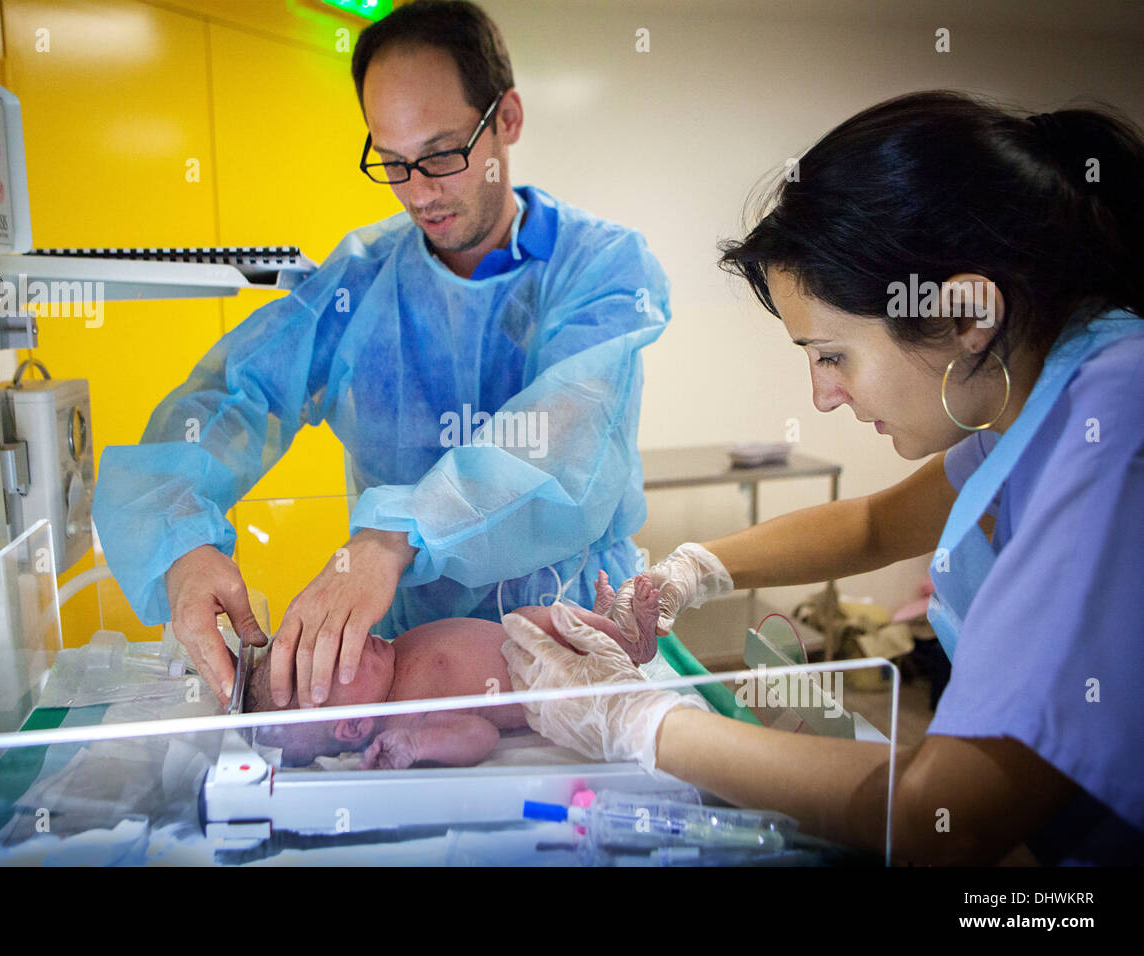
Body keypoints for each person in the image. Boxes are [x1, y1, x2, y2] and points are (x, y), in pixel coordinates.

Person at [501, 91, 1144, 865]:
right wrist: (688, 573)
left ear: (970, 315)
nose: (822, 395)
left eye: (833, 354)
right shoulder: (1055, 387)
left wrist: (637, 721)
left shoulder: (1114, 430)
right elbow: (873, 525)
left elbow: (937, 819)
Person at [92, 1, 671, 710]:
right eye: (391, 161)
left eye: (442, 152)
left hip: (578, 650)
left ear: (508, 119)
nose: (418, 191)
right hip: (410, 673)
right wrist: (179, 543)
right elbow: (229, 399)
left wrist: (394, 537)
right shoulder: (359, 281)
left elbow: (562, 441)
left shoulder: (602, 267)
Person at [240, 571, 686, 769]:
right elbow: (481, 737)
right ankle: (631, 646)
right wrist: (416, 743)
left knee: (537, 618)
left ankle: (604, 631)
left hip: (531, 643)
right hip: (553, 678)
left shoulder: (392, 659)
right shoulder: (407, 717)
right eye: (342, 658)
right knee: (538, 620)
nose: (350, 640)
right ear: (353, 725)